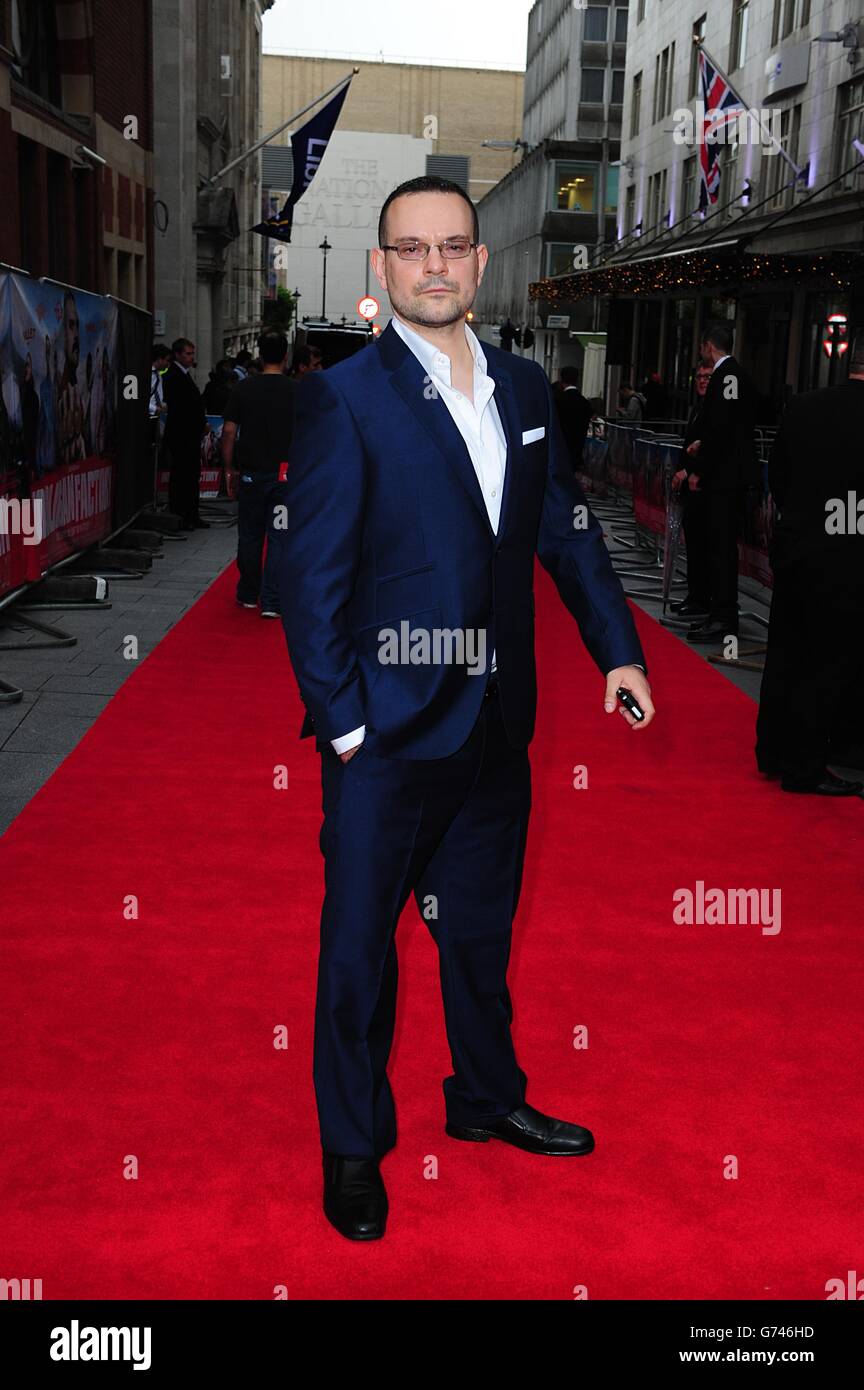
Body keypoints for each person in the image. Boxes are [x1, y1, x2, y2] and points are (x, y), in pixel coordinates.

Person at [274, 173, 654, 1242]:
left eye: (452, 246)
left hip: (496, 727)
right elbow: (310, 581)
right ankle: (354, 1147)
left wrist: (618, 650)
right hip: (387, 735)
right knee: (361, 952)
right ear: (382, 267)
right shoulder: (347, 397)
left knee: (479, 936)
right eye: (412, 248)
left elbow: (566, 531)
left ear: (481, 264)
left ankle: (486, 1097)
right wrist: (348, 726)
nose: (433, 265)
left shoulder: (526, 390)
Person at [754, 332, 864, 796]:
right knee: (830, 663)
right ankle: (808, 764)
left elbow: (778, 476)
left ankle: (775, 751)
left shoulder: (803, 406)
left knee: (786, 653)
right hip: (849, 557)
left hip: (798, 549)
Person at [684, 323, 759, 644]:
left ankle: (723, 616)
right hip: (729, 475)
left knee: (720, 549)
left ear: (708, 345)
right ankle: (719, 611)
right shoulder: (736, 375)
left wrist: (700, 466)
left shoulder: (727, 376)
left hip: (725, 479)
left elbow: (722, 426)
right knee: (718, 548)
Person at [222, 330, 296, 617]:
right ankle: (273, 600)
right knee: (279, 536)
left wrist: (229, 468)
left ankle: (248, 592)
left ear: (260, 355)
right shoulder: (297, 390)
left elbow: (229, 431)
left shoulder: (243, 389)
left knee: (250, 534)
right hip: (285, 476)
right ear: (285, 356)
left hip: (252, 473)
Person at [670, 361, 713, 618]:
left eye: (708, 377)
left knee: (702, 547)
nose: (703, 380)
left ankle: (701, 598)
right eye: (699, 377)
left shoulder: (714, 409)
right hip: (690, 486)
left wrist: (690, 471)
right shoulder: (698, 407)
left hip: (704, 487)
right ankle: (694, 595)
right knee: (693, 546)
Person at [162, 338, 209, 530]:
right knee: (182, 476)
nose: (191, 358)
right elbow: (181, 408)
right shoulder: (172, 376)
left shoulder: (184, 375)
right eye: (188, 354)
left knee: (191, 475)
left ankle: (192, 514)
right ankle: (181, 515)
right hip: (181, 435)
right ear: (178, 354)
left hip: (190, 435)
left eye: (192, 354)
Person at [554, 365, 592, 471]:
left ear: (562, 380)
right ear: (577, 380)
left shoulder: (558, 400)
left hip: (561, 449)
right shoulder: (584, 402)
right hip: (577, 449)